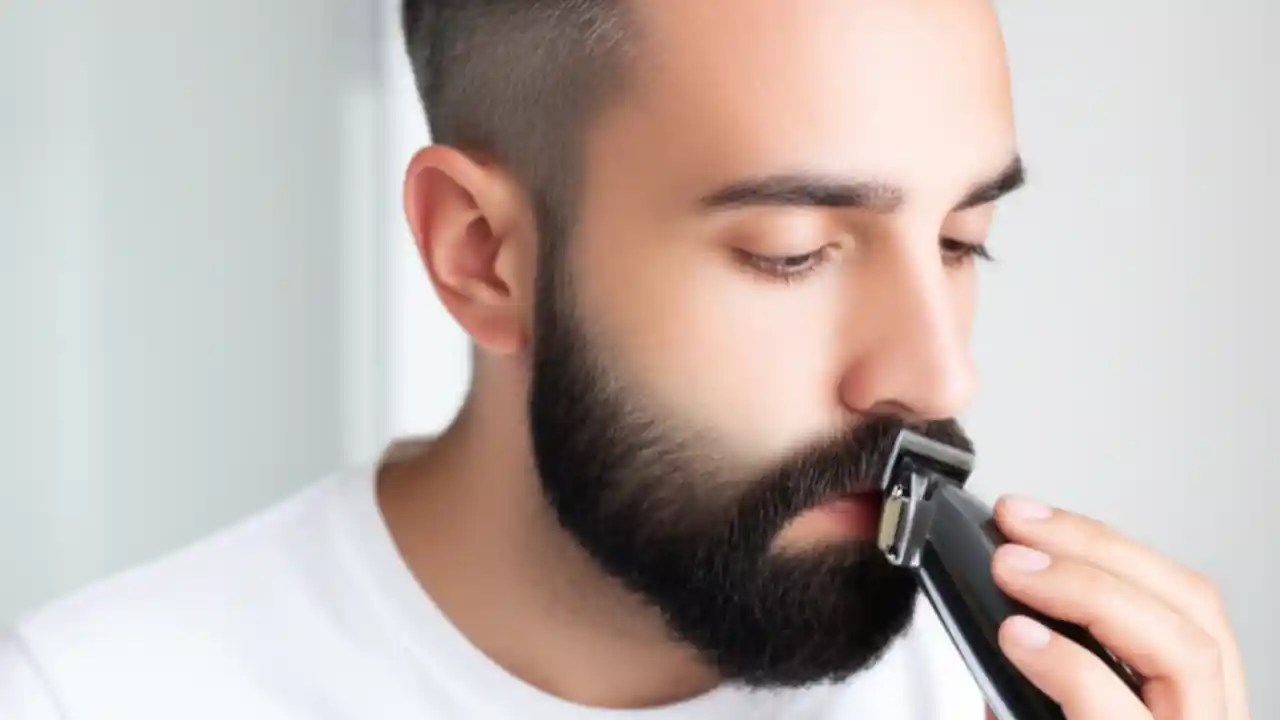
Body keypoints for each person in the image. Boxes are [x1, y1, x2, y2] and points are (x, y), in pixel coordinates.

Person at [0, 1, 1253, 718]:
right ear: (483, 255)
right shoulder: (94, 699)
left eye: (963, 240)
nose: (935, 381)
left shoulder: (1008, 689)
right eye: (793, 251)